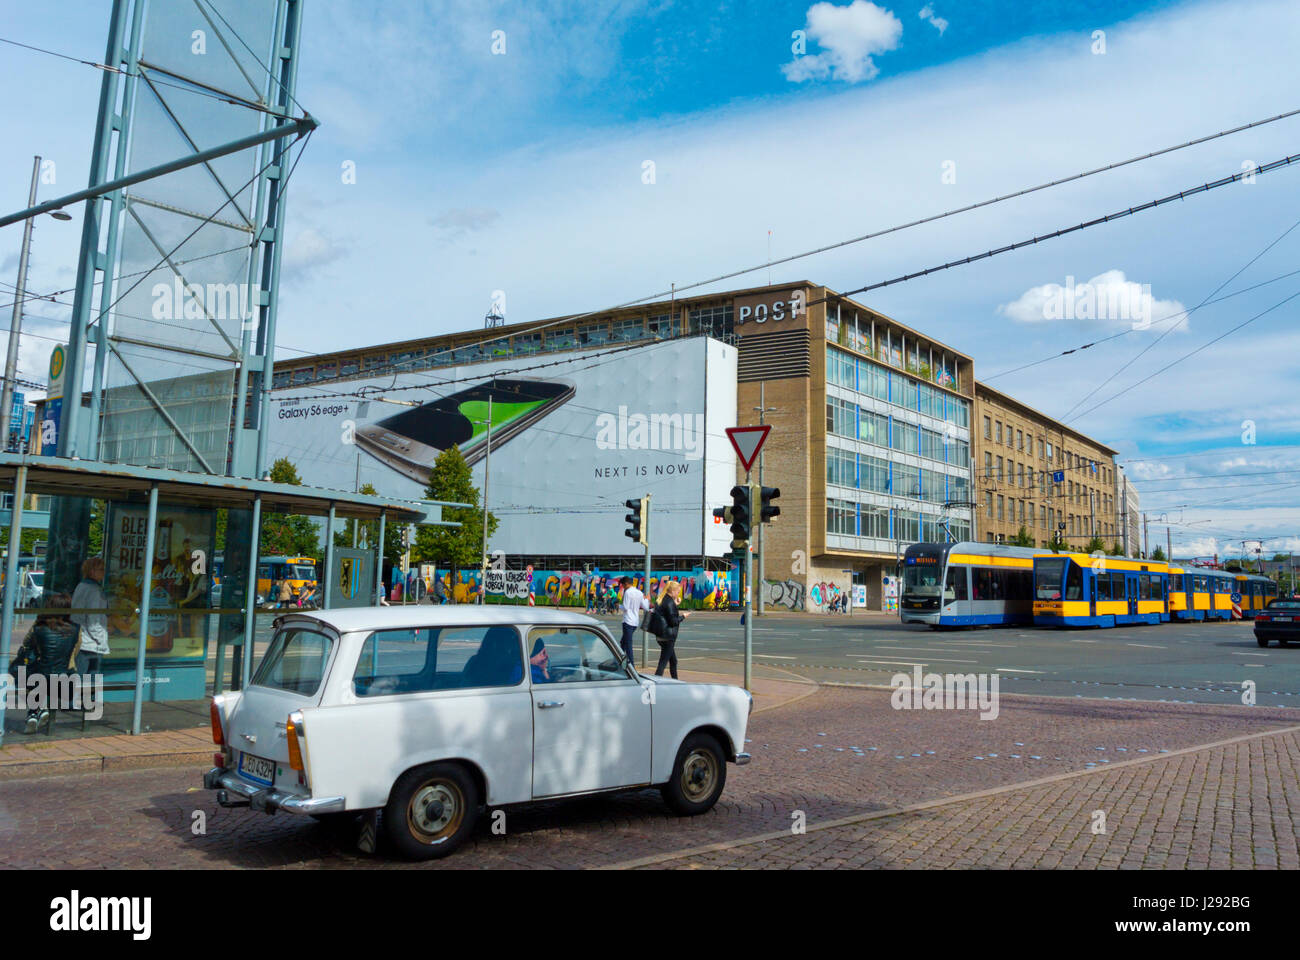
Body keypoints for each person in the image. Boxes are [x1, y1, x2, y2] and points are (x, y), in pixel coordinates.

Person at [15, 592, 79, 734]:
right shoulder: (75, 629)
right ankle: (38, 711)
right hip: (65, 683)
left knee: (34, 677)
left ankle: (34, 712)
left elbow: (26, 644)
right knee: (47, 680)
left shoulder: (38, 628)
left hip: (39, 679)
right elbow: (75, 652)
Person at [70, 556, 110, 676]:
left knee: (80, 678)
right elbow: (93, 619)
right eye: (101, 569)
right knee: (91, 679)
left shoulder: (81, 586)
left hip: (81, 638)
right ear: (92, 571)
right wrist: (101, 639)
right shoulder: (94, 591)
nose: (104, 572)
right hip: (91, 643)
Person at [653, 581, 689, 679]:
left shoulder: (661, 600)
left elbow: (666, 614)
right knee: (662, 663)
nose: (678, 594)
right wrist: (683, 617)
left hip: (660, 635)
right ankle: (655, 681)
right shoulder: (669, 603)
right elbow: (673, 621)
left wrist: (675, 605)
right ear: (672, 591)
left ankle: (675, 681)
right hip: (668, 637)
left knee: (673, 661)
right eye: (677, 592)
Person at [619, 576, 649, 667]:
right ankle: (617, 660)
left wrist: (618, 606)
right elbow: (646, 607)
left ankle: (631, 665)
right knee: (623, 642)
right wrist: (647, 599)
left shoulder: (627, 592)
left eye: (623, 585)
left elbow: (626, 607)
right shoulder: (639, 592)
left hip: (627, 620)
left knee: (628, 644)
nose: (623, 587)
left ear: (626, 584)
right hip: (635, 621)